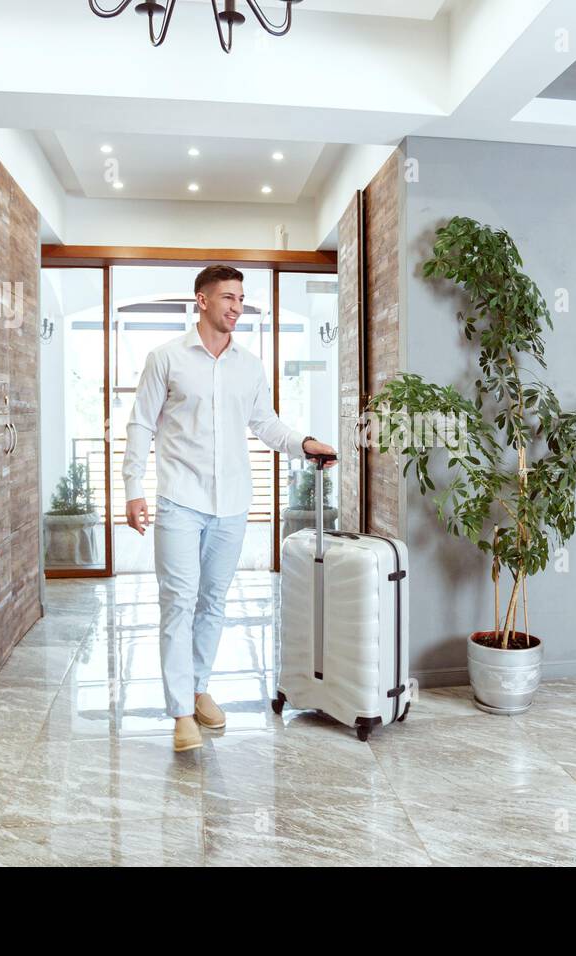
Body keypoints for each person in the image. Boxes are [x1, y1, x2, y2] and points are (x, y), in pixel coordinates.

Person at [123, 264, 337, 752]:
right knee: (178, 601)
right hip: (180, 498)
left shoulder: (249, 365)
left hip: (232, 504)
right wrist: (133, 488)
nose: (236, 307)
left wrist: (305, 444)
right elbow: (141, 425)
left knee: (214, 601)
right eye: (228, 298)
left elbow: (266, 424)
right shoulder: (166, 358)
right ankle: (180, 713)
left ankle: (198, 687)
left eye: (241, 299)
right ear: (201, 300)